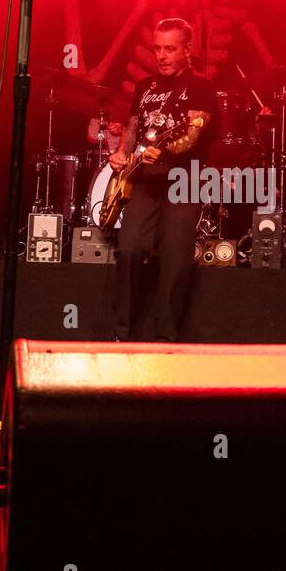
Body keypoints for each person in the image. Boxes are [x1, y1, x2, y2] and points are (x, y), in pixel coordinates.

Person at [110, 18, 216, 341]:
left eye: (170, 49)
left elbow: (192, 136)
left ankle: (165, 339)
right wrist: (122, 152)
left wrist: (165, 150)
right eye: (157, 48)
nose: (162, 56)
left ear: (187, 49)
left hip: (182, 180)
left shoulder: (201, 86)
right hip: (143, 177)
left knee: (174, 260)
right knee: (128, 249)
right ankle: (121, 334)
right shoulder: (144, 87)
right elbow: (133, 126)